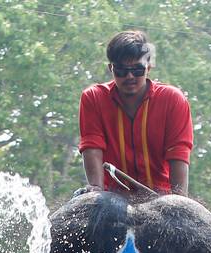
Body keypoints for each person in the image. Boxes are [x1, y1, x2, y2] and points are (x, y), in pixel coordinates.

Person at [78, 30, 193, 196]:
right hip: (111, 195)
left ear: (149, 67)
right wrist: (96, 188)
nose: (130, 76)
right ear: (111, 68)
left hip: (161, 197)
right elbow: (92, 146)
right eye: (122, 70)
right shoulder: (93, 98)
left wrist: (179, 201)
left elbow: (179, 152)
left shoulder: (173, 100)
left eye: (137, 70)